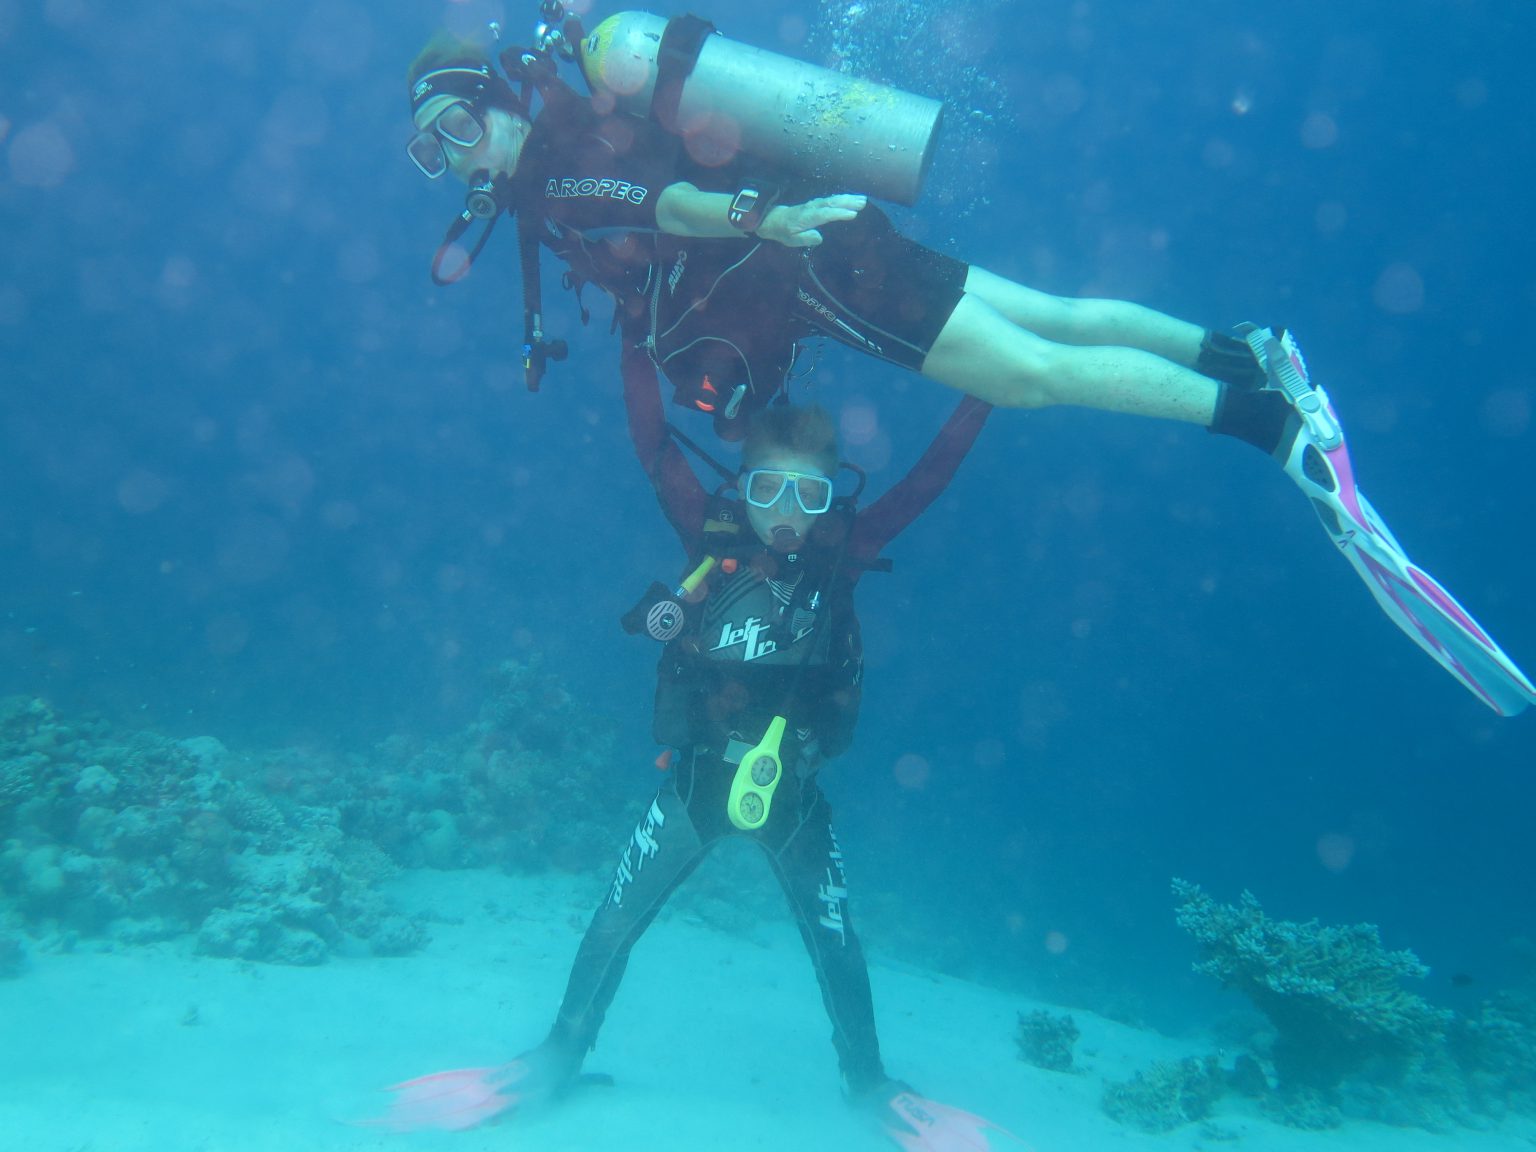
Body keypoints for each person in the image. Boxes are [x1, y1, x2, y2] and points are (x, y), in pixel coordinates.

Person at [401, 25, 1536, 716]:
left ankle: (1266, 425)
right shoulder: (558, 161)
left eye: (456, 127)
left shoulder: (556, 174)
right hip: (831, 235)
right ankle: (1242, 351)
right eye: (429, 148)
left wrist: (751, 214)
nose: (453, 157)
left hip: (814, 266)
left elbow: (661, 203)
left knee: (1029, 371)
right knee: (1038, 308)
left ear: (500, 101)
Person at [371, 351, 1018, 1150]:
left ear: (830, 499)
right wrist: (634, 347)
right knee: (614, 925)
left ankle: (871, 1087)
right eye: (767, 488)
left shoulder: (840, 551)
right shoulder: (707, 534)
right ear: (740, 485)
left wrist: (986, 395)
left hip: (795, 794)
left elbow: (925, 482)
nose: (786, 513)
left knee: (838, 948)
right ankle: (557, 1057)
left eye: (809, 494)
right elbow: (654, 448)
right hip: (694, 783)